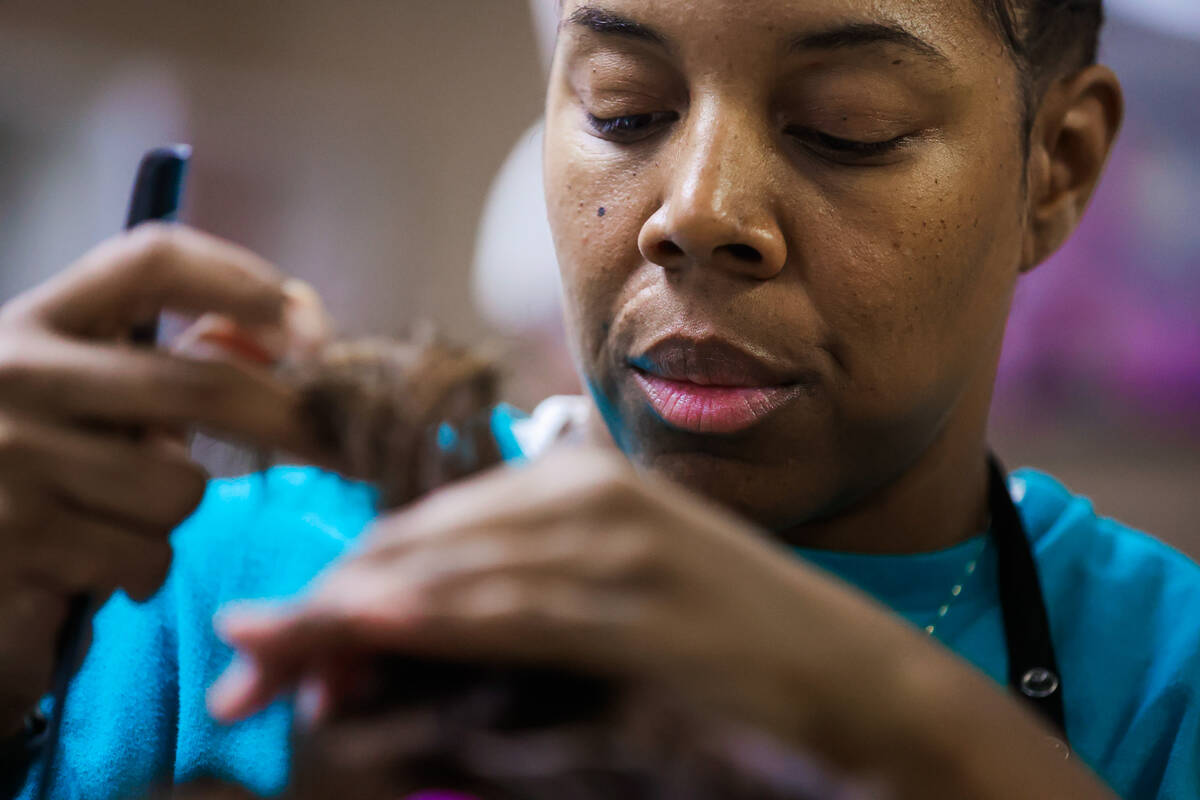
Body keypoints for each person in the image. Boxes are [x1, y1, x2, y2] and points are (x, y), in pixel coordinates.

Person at [2, 0, 1197, 798]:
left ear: (1058, 165)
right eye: (626, 106)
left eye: (849, 128)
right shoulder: (189, 592)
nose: (699, 211)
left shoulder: (1163, 675)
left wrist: (891, 712)